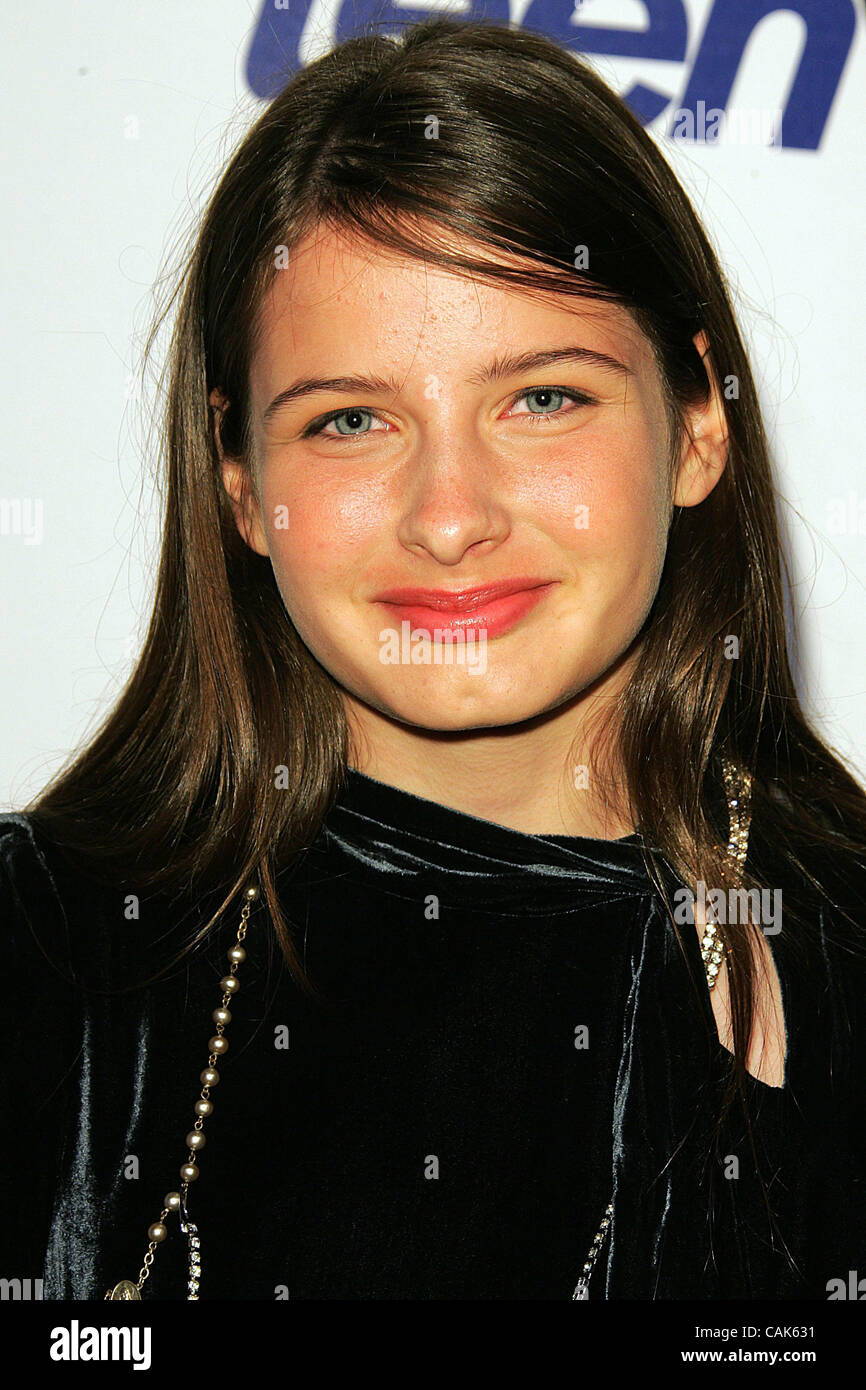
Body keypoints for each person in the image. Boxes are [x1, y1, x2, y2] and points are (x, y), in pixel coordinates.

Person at [2, 17, 865, 1302]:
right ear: (240, 485)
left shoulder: (833, 937)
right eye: (350, 420)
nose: (449, 513)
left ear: (695, 424)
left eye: (542, 398)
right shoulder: (47, 956)